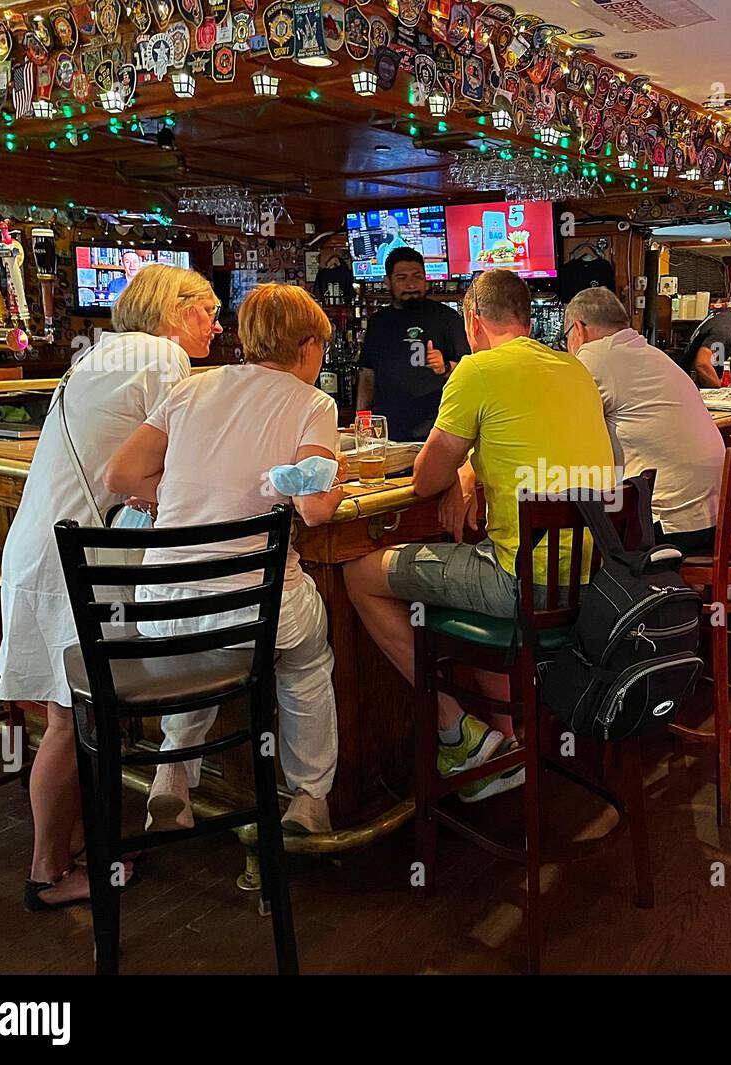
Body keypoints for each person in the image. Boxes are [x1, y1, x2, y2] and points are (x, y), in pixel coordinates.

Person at [343, 269, 614, 802]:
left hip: (523, 585)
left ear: (473, 321)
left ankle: (458, 735)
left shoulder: (476, 370)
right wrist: (470, 472)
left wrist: (457, 472)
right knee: (469, 569)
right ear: (530, 319)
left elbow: (424, 479)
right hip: (591, 582)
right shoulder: (574, 369)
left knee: (359, 574)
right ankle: (505, 743)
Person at [0, 263, 221, 910]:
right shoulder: (161, 356)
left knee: (63, 717)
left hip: (40, 547)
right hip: (71, 561)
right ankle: (47, 873)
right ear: (173, 310)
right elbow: (173, 466)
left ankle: (66, 849)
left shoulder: (104, 353)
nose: (214, 322)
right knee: (69, 719)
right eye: (205, 309)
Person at [105, 284, 345, 836]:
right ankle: (310, 798)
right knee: (305, 660)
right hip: (252, 612)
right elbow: (312, 509)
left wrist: (192, 497)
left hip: (162, 606)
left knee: (194, 654)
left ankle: (172, 779)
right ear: (308, 348)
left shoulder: (192, 389)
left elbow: (120, 476)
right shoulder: (313, 403)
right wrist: (331, 487)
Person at [565, 287, 724, 555]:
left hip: (668, 529)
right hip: (717, 521)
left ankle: (605, 596)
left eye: (566, 336)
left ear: (579, 330)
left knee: (572, 519)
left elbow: (562, 427)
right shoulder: (652, 354)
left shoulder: (594, 356)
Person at [356, 247, 470, 441]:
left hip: (438, 430)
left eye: (417, 276)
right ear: (388, 282)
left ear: (426, 280)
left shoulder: (446, 317)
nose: (411, 284)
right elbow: (368, 375)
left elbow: (469, 371)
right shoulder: (378, 322)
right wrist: (361, 419)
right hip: (387, 431)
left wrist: (444, 367)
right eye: (402, 278)